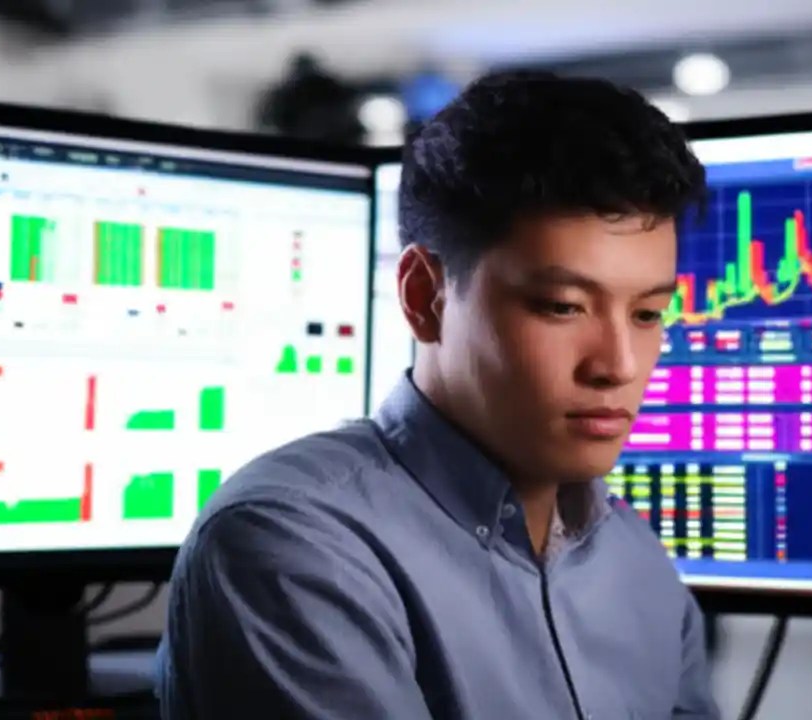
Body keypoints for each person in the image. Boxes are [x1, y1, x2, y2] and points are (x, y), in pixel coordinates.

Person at [156, 70, 718, 719]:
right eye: (563, 308)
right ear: (425, 296)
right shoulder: (293, 547)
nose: (619, 365)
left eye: (648, 315)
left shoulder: (636, 560)